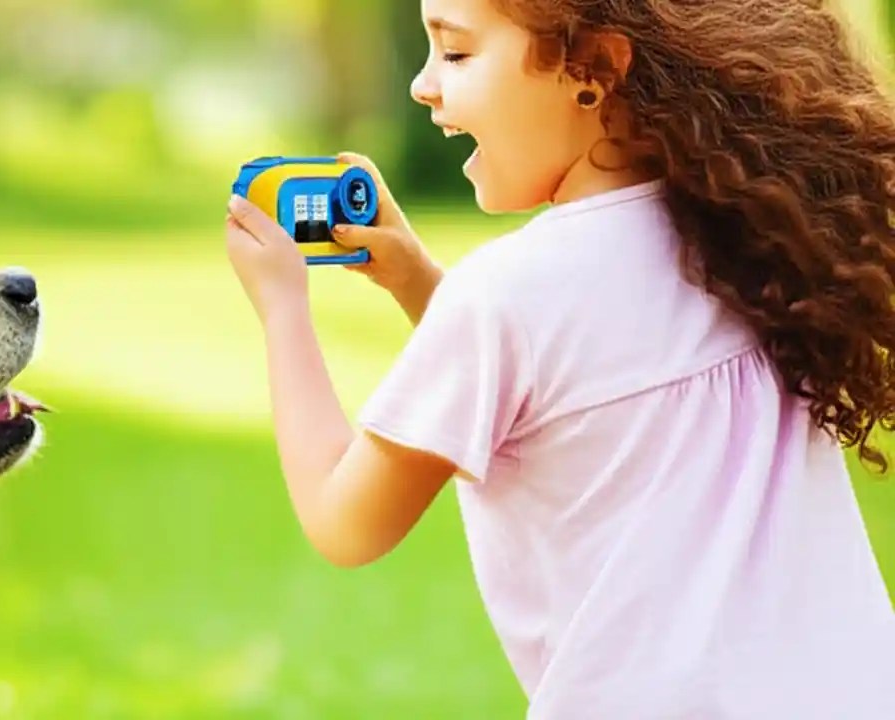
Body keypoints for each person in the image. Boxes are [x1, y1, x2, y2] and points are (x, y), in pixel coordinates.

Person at [222, 0, 895, 717]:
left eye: (456, 52)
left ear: (593, 69)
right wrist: (417, 281)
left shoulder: (503, 300)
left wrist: (283, 309)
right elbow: (559, 382)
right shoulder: (744, 248)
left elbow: (344, 520)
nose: (422, 85)